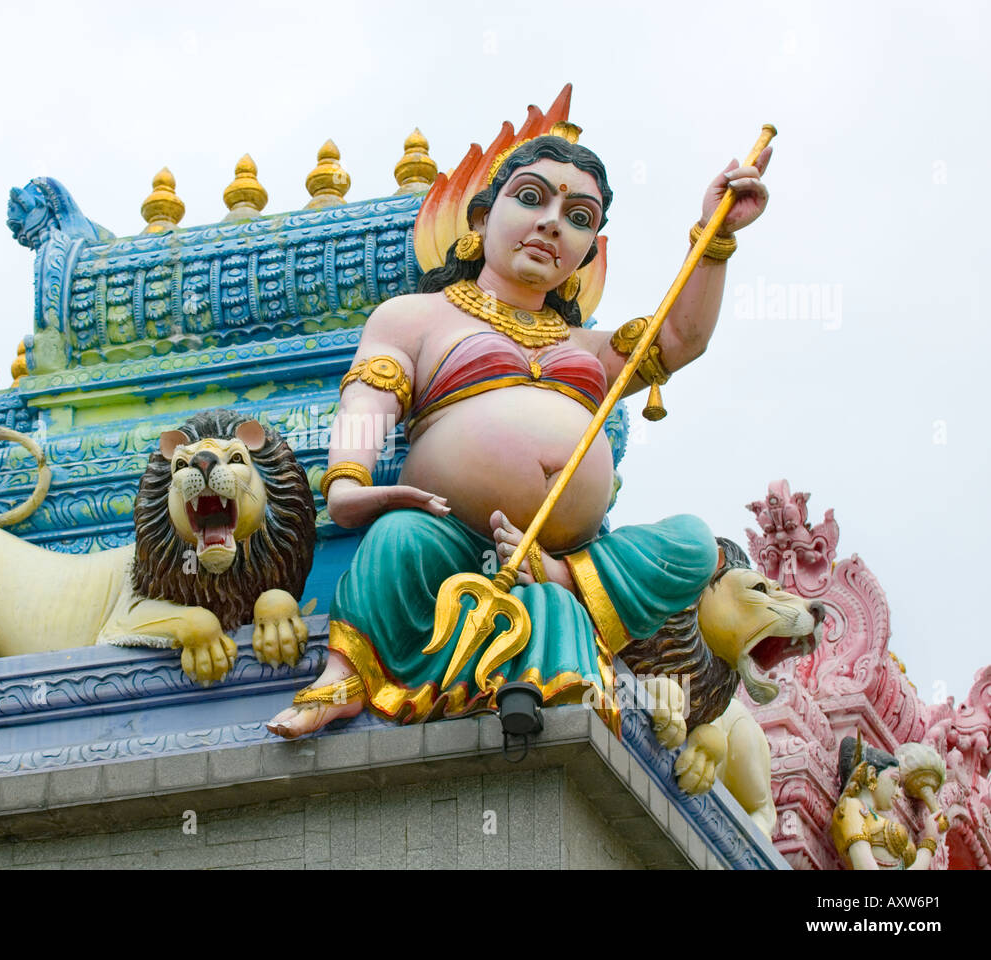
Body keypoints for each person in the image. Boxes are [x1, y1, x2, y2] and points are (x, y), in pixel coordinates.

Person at [267, 129, 772, 738]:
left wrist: (715, 238)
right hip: (448, 532)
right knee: (396, 540)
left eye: (578, 217)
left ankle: (557, 580)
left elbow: (679, 340)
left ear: (584, 253)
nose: (552, 223)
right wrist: (347, 484)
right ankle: (345, 676)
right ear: (481, 218)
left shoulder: (587, 347)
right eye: (531, 199)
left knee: (694, 544)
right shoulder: (420, 318)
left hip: (570, 555)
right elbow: (368, 400)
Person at [832, 737, 942, 870]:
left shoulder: (876, 817)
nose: (898, 793)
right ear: (872, 774)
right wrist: (929, 842)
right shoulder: (852, 806)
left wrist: (930, 840)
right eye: (894, 781)